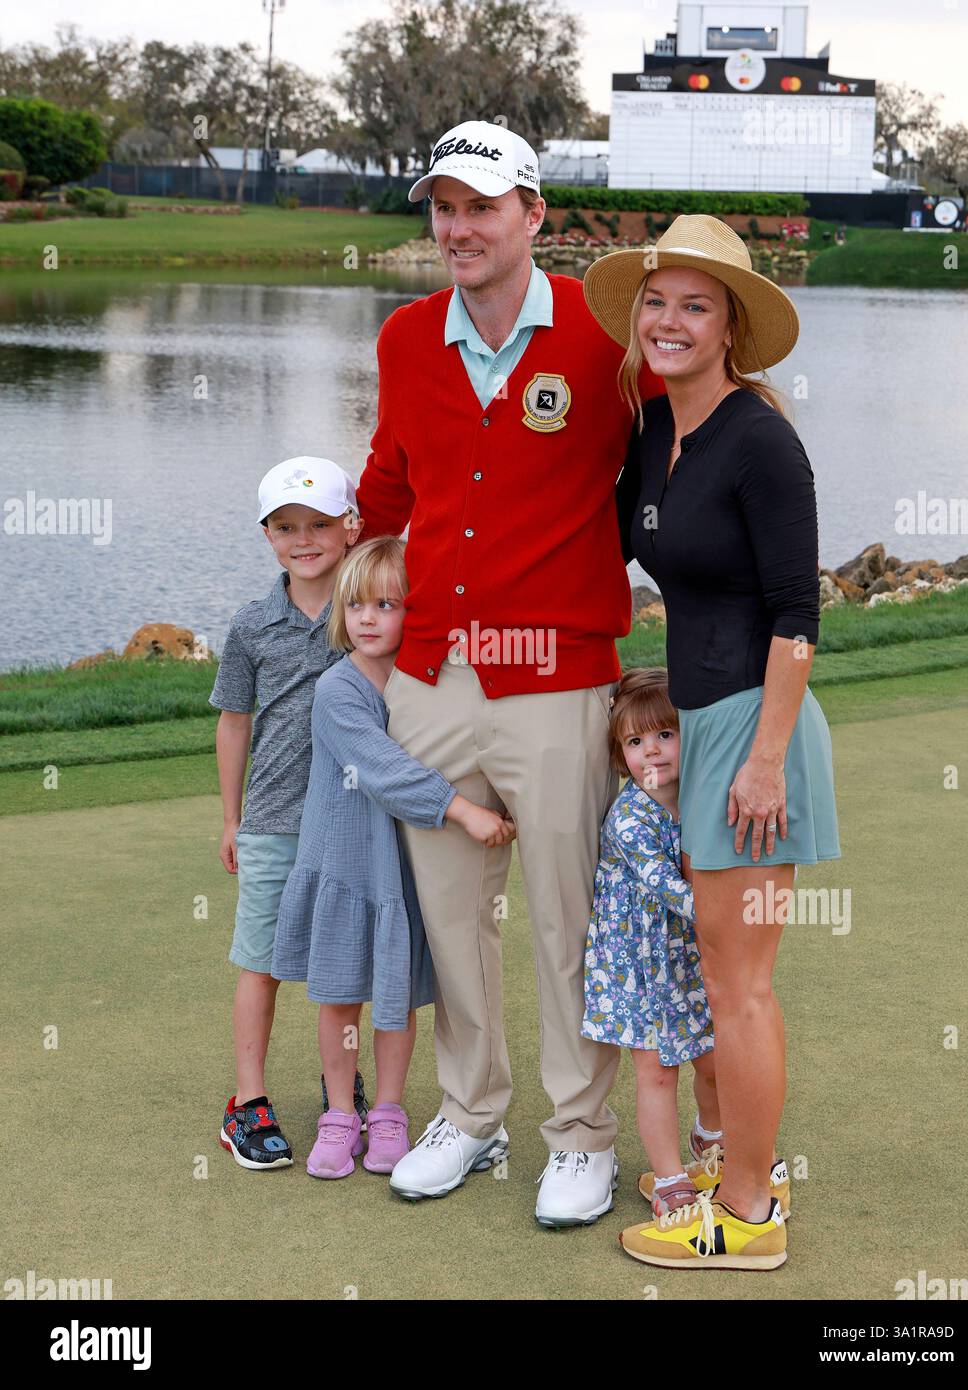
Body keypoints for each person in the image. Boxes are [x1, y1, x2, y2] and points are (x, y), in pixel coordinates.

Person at [355, 119, 664, 1226]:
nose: (457, 228)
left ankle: (580, 1135)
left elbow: (663, 465)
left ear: (535, 214)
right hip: (431, 679)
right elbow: (387, 489)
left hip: (559, 676)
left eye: (481, 207)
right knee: (450, 916)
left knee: (561, 916)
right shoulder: (403, 339)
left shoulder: (603, 329)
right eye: (442, 207)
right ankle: (469, 1116)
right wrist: (364, 625)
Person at [583, 214, 840, 1268]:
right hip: (702, 727)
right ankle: (743, 1173)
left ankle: (744, 1213)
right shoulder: (653, 430)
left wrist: (764, 757)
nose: (669, 321)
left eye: (695, 305)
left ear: (730, 326)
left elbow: (797, 614)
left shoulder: (760, 439)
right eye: (657, 302)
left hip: (753, 735)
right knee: (725, 977)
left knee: (738, 985)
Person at [270, 537, 516, 1180]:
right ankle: (338, 1115)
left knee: (395, 997)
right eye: (356, 605)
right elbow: (383, 771)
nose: (369, 618)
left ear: (416, 611)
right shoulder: (336, 689)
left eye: (387, 604)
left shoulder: (419, 684)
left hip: (400, 871)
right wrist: (463, 810)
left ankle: (387, 1112)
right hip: (346, 867)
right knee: (339, 998)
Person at [213, 457, 365, 1169]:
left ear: (349, 527)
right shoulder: (251, 624)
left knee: (344, 966)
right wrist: (230, 817)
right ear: (269, 536)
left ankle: (343, 1093)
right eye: (286, 528)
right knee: (263, 963)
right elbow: (234, 723)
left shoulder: (369, 611)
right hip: (273, 818)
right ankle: (248, 1101)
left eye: (319, 525)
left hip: (351, 818)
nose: (303, 540)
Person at [580, 667, 719, 1218]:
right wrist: (729, 915)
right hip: (636, 965)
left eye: (664, 734)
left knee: (712, 1057)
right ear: (621, 756)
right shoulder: (630, 816)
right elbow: (671, 888)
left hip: (686, 960)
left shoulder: (699, 799)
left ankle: (711, 1138)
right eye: (635, 742)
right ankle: (669, 1178)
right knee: (658, 1071)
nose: (651, 752)